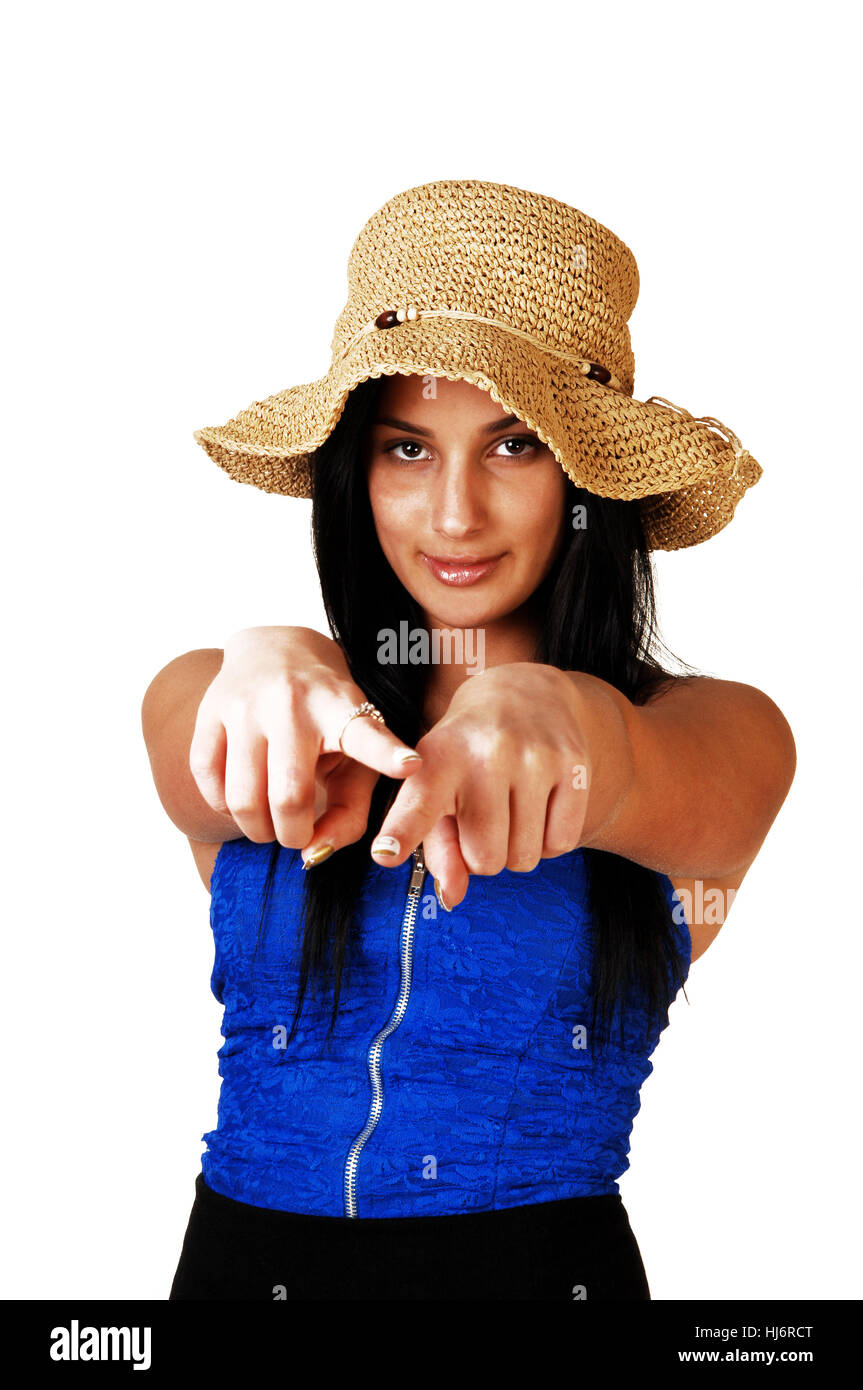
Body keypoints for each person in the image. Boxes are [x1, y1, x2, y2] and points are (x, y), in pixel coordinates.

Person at [141, 179, 796, 1300]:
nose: (452, 515)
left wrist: (559, 714)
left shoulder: (721, 731)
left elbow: (655, 770)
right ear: (354, 469)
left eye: (512, 446)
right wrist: (258, 657)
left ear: (585, 476)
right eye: (405, 449)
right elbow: (188, 734)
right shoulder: (253, 705)